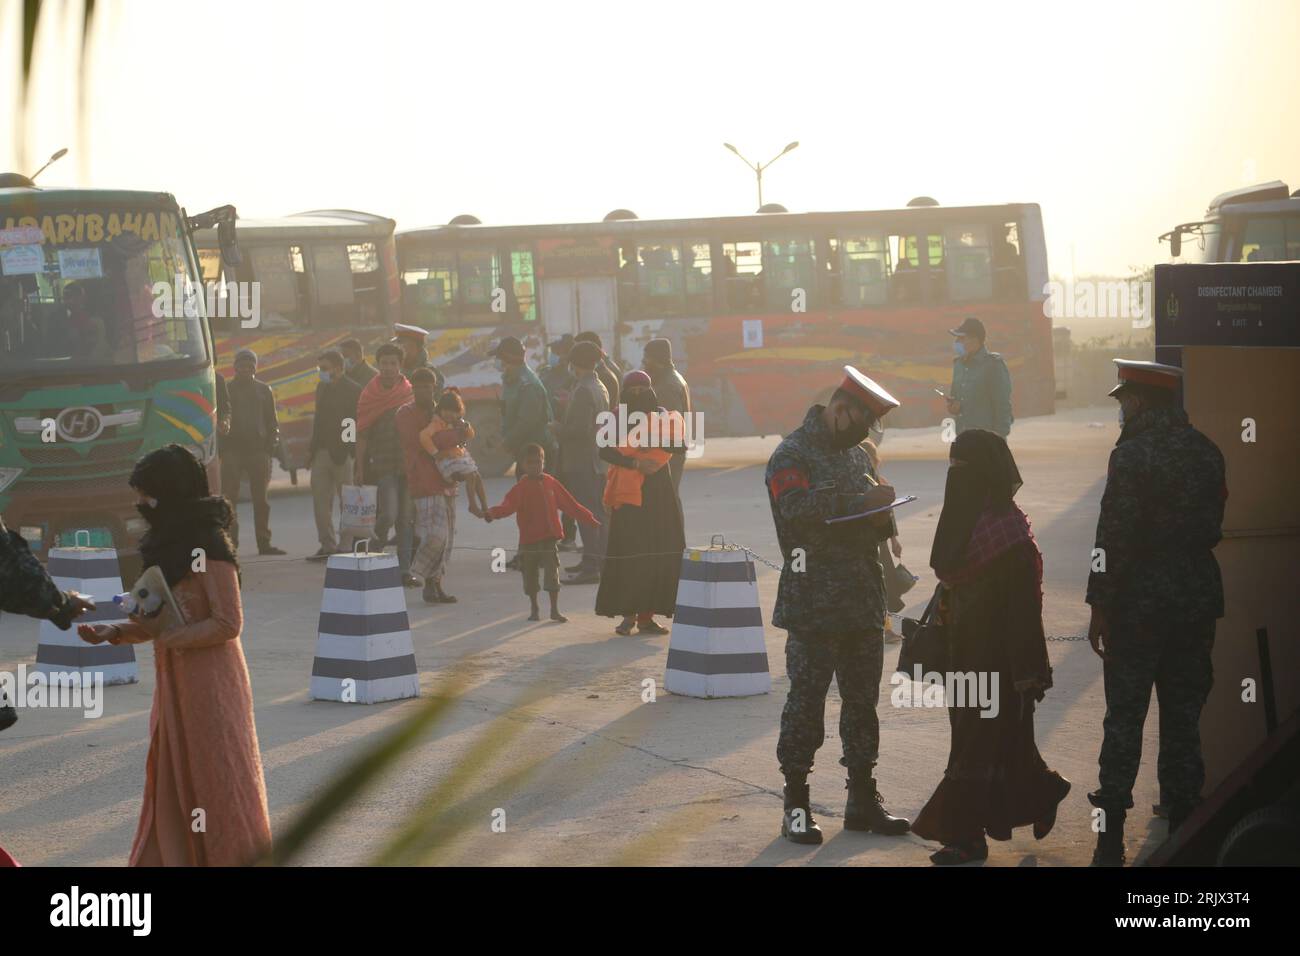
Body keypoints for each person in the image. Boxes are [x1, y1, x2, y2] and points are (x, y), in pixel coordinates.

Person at [76, 445, 272, 865]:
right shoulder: (166, 547)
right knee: (173, 781)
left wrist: (172, 638)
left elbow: (227, 624)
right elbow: (157, 620)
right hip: (173, 686)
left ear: (172, 492)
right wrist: (116, 631)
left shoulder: (210, 547)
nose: (143, 504)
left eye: (150, 495)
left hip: (213, 688)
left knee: (217, 782)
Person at [1086, 360, 1226, 866]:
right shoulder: (1207, 452)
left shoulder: (1131, 456)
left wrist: (1098, 604)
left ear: (1140, 402)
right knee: (1184, 719)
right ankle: (1189, 835)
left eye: (1123, 402)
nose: (1121, 412)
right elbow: (1213, 527)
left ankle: (1109, 841)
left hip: (1136, 605)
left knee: (1124, 719)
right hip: (1194, 599)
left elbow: (1111, 540)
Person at [911, 429, 1071, 864]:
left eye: (963, 469)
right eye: (952, 468)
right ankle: (1042, 792)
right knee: (985, 745)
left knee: (977, 749)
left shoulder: (1010, 535)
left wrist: (1028, 673)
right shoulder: (961, 525)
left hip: (1000, 666)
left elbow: (1024, 614)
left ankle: (965, 840)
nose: (955, 478)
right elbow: (948, 584)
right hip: (962, 659)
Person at [765, 366, 910, 845]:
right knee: (806, 702)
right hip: (813, 602)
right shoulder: (791, 454)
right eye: (858, 422)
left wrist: (883, 508)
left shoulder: (855, 455)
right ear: (839, 408)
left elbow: (868, 513)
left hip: (861, 597)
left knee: (861, 703)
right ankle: (796, 804)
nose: (861, 435)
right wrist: (856, 502)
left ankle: (862, 799)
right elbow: (796, 512)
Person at [595, 372, 685, 635]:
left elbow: (680, 445)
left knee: (657, 552)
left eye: (642, 389)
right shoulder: (616, 416)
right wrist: (635, 462)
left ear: (651, 390)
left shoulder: (663, 415)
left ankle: (646, 618)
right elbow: (604, 450)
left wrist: (649, 445)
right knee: (629, 553)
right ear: (624, 393)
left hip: (659, 493)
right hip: (629, 495)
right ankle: (628, 615)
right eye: (631, 390)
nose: (637, 394)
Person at [485, 443, 600, 623]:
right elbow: (507, 506)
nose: (534, 466)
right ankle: (534, 608)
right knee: (530, 579)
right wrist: (492, 513)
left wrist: (590, 520)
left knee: (552, 577)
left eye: (538, 462)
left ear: (543, 463)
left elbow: (571, 505)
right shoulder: (520, 488)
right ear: (522, 464)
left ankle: (554, 610)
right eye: (530, 463)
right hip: (528, 541)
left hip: (549, 539)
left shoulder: (551, 483)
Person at [395, 368, 458, 604]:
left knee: (447, 539)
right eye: (418, 387)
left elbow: (460, 434)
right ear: (412, 388)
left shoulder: (442, 410)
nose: (423, 391)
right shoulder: (404, 413)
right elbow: (419, 441)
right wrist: (449, 437)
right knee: (436, 535)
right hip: (423, 480)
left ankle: (434, 586)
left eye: (427, 386)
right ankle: (416, 570)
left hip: (447, 479)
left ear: (434, 388)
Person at [355, 343, 415, 581]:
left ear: (400, 366)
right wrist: (359, 468)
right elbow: (361, 434)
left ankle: (404, 570)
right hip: (383, 464)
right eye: (384, 364)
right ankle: (375, 549)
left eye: (393, 363)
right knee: (388, 514)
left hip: (408, 465)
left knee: (406, 519)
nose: (389, 368)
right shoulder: (369, 394)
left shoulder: (409, 392)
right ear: (378, 366)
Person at [220, 349, 285, 555]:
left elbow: (272, 422)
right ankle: (231, 544)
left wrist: (269, 448)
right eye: (241, 366)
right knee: (229, 500)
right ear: (235, 367)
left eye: (249, 366)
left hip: (259, 452)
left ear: (255, 367)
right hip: (233, 451)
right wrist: (223, 450)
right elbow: (221, 419)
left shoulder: (264, 390)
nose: (245, 369)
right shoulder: (226, 390)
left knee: (261, 501)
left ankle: (264, 543)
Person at [556, 341, 610, 585]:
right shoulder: (600, 386)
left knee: (587, 514)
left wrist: (556, 428)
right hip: (597, 459)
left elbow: (577, 430)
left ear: (575, 364)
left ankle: (592, 565)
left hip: (582, 460)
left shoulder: (583, 390)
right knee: (598, 512)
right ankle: (597, 560)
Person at [307, 349, 361, 560]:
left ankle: (345, 546)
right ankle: (327, 545)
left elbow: (353, 423)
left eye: (325, 369)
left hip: (343, 455)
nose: (321, 373)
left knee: (347, 502)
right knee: (320, 503)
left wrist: (348, 451)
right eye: (320, 369)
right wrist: (311, 451)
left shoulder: (353, 389)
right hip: (321, 453)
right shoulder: (322, 388)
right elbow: (318, 422)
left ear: (339, 368)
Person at [419, 387, 489, 516]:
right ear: (440, 410)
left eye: (453, 411)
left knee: (477, 476)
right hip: (447, 461)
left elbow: (470, 435)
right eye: (446, 411)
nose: (449, 414)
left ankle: (485, 507)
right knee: (471, 475)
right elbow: (423, 436)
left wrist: (466, 427)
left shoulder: (457, 423)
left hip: (459, 457)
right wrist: (435, 453)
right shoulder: (436, 424)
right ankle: (472, 505)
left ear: (459, 412)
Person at [862, 438, 907, 643]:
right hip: (866, 544)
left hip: (882, 544)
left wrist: (895, 541)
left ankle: (886, 629)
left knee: (885, 586)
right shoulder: (859, 484)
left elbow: (890, 515)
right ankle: (882, 630)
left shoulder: (881, 482)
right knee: (874, 587)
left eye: (871, 458)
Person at [540, 335, 579, 551]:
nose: (555, 355)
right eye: (553, 350)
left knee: (567, 491)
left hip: (563, 438)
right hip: (550, 438)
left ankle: (569, 535)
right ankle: (555, 533)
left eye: (559, 351)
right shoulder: (546, 374)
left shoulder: (571, 378)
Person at [946, 317, 1013, 438]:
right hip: (963, 437)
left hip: (986, 439)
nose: (957, 342)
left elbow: (1002, 405)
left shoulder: (993, 365)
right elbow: (957, 398)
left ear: (975, 339)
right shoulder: (958, 365)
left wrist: (999, 438)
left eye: (961, 338)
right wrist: (953, 407)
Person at [642, 337, 692, 497]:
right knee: (671, 495)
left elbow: (668, 427)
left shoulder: (666, 386)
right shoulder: (672, 378)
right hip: (672, 450)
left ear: (656, 360)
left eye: (647, 358)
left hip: (668, 452)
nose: (644, 362)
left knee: (668, 497)